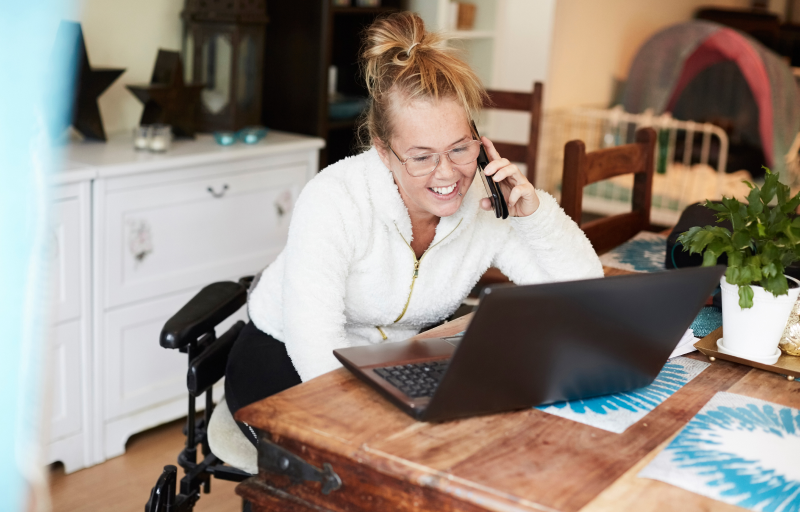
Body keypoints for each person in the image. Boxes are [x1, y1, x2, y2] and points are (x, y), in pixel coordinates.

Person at [225, 12, 603, 445]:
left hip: (393, 362)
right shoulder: (334, 199)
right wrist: (370, 432)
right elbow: (314, 345)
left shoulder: (485, 200)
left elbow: (583, 294)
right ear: (384, 151)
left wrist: (536, 216)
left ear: (480, 141)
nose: (447, 175)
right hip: (286, 356)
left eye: (460, 148)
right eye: (421, 157)